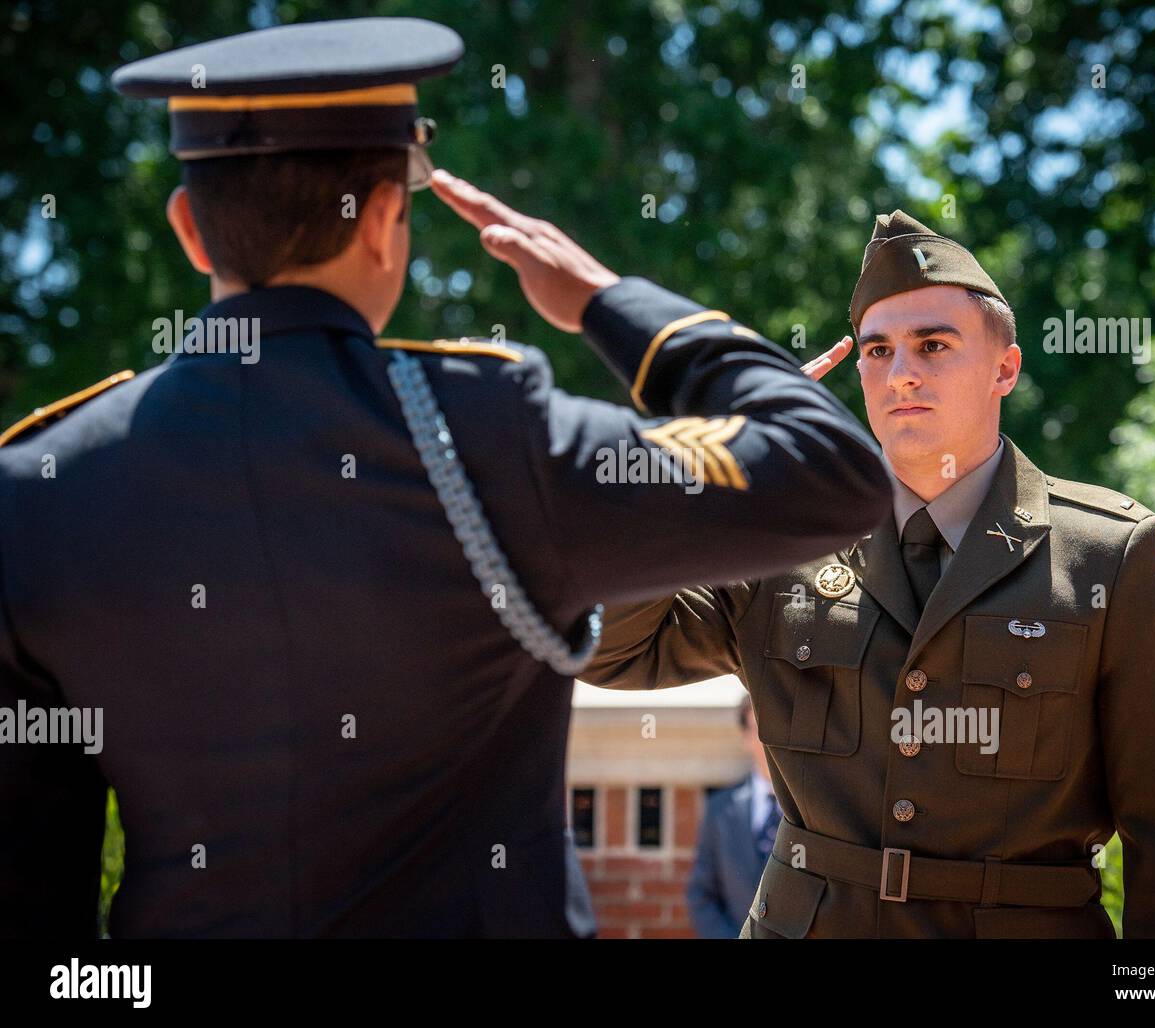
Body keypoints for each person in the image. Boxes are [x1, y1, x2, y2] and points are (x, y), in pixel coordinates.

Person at [0, 17, 892, 939]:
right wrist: (605, 300)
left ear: (189, 229)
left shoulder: (35, 490)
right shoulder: (492, 435)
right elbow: (828, 472)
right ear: (387, 218)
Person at [584, 210, 1155, 939]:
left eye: (934, 344)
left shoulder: (1110, 555)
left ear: (1005, 368)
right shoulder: (780, 534)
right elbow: (612, 651)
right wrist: (690, 466)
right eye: (878, 350)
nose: (902, 373)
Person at [686, 697, 778, 938]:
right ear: (745, 737)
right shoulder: (720, 810)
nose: (769, 741)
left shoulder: (810, 811)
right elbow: (701, 894)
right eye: (760, 730)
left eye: (776, 729)